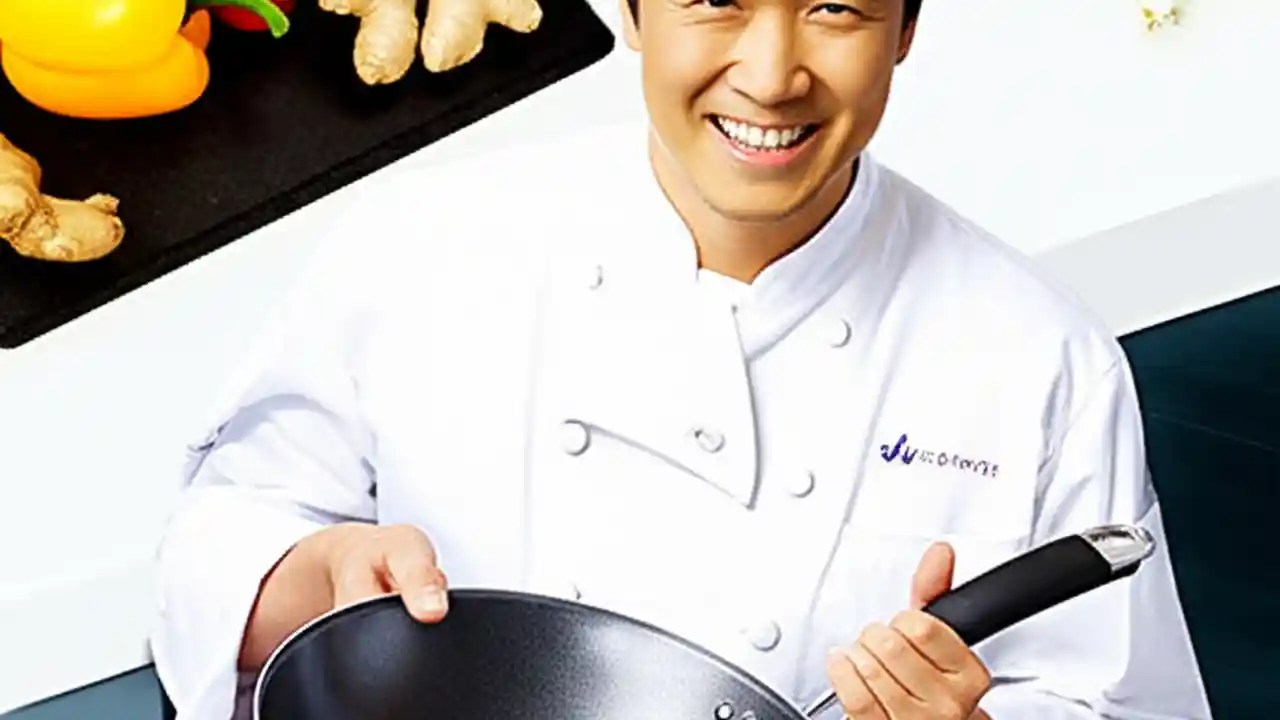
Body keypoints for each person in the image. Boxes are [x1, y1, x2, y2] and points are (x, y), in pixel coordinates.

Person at [150, 0, 1214, 717]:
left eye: (834, 6)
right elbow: (218, 542)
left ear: (904, 28)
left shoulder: (1037, 356)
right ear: (629, 10)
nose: (769, 74)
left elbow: (1129, 702)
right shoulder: (424, 242)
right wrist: (313, 578)